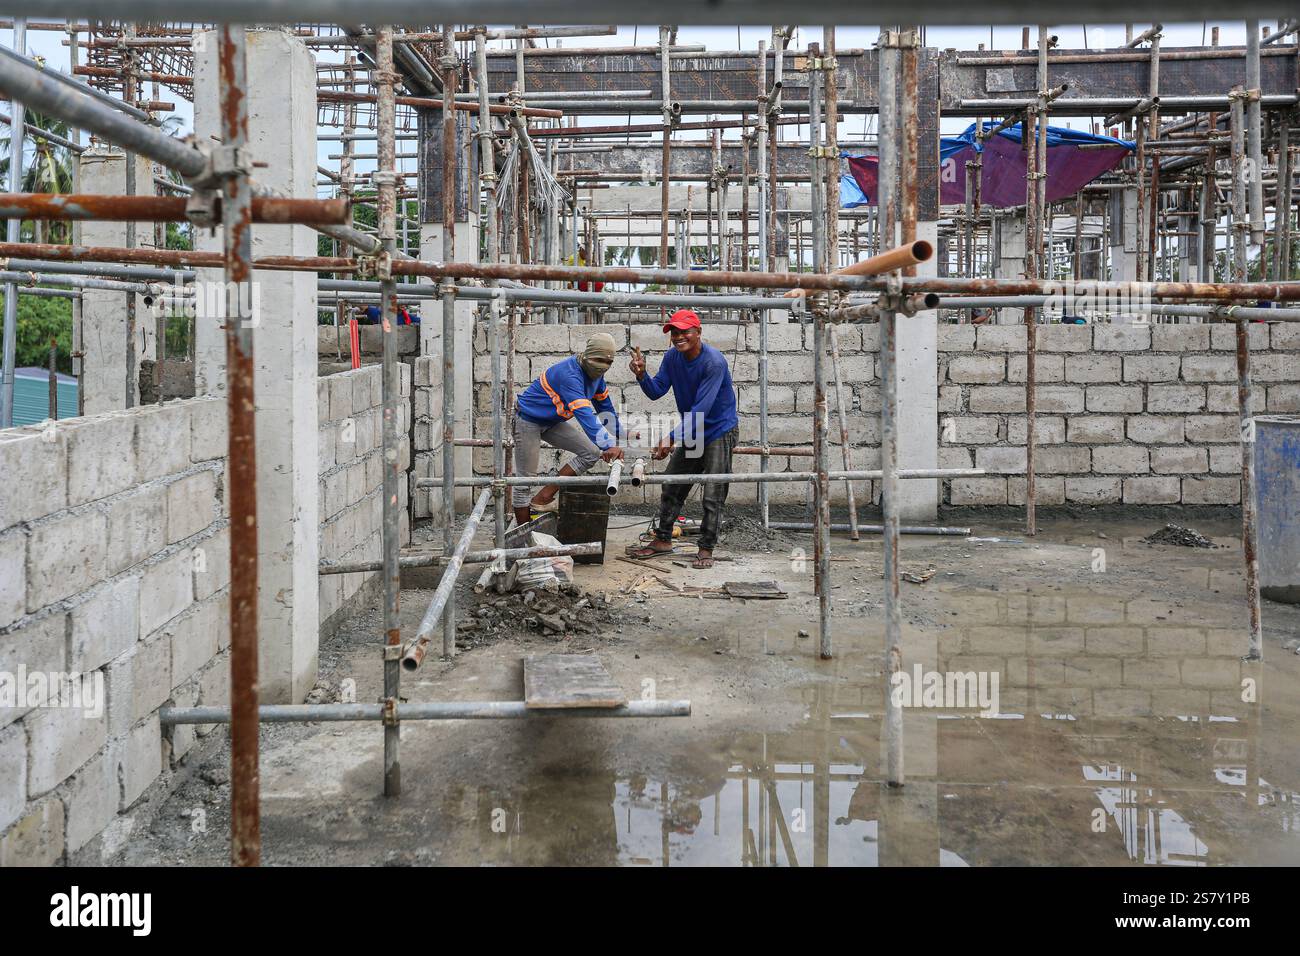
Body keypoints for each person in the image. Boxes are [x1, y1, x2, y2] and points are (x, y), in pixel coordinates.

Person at [627, 309, 739, 569]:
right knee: (672, 485)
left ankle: (706, 548)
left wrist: (672, 437)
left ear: (698, 332)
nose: (679, 337)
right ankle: (663, 539)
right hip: (693, 430)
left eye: (685, 331)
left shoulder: (714, 362)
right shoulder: (672, 358)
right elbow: (656, 392)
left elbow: (701, 411)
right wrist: (642, 375)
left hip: (718, 431)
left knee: (713, 493)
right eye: (674, 332)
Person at [511, 332, 625, 527]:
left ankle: (542, 499)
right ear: (588, 355)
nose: (603, 366)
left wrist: (624, 435)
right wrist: (608, 444)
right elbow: (586, 415)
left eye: (608, 362)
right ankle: (522, 534)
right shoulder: (569, 374)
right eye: (598, 360)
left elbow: (605, 409)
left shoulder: (597, 376)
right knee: (525, 480)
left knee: (590, 453)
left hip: (552, 421)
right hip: (528, 420)